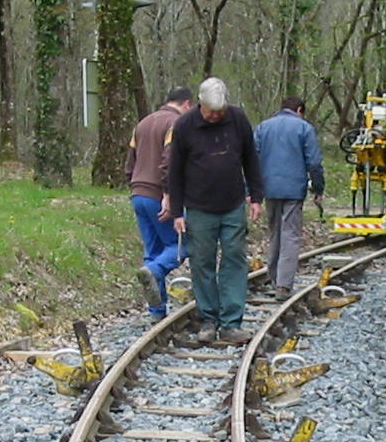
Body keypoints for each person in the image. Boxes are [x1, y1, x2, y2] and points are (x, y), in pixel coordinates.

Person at [163, 77, 263, 345]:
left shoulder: (238, 120)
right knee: (202, 262)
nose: (216, 116)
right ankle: (208, 319)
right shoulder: (184, 126)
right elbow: (175, 171)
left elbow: (251, 158)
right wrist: (177, 212)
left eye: (221, 111)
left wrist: (256, 196)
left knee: (234, 259)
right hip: (198, 207)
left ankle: (232, 322)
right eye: (211, 111)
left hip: (232, 204)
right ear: (200, 104)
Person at [127, 86, 193, 319]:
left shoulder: (143, 123)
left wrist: (134, 187)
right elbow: (169, 161)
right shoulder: (175, 124)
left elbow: (130, 162)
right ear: (186, 104)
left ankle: (157, 311)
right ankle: (153, 272)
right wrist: (168, 194)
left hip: (138, 193)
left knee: (153, 250)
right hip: (159, 195)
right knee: (180, 246)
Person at [254, 96, 324, 301]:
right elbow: (314, 162)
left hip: (268, 188)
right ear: (300, 109)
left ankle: (274, 277)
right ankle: (284, 286)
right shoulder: (304, 128)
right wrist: (318, 188)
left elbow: (252, 159)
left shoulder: (263, 127)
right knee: (290, 235)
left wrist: (253, 190)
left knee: (275, 232)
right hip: (293, 189)